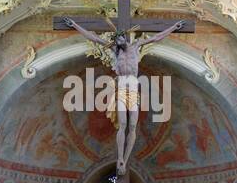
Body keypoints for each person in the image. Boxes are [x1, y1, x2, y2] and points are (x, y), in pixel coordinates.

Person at [62, 15, 186, 172]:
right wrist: (75, 25)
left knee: (133, 125)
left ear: (124, 37)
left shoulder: (136, 45)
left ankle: (125, 160)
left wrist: (173, 27)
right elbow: (93, 38)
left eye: (120, 40)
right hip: (121, 89)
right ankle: (120, 157)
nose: (118, 43)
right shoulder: (115, 50)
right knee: (123, 124)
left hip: (133, 89)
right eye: (116, 42)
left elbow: (156, 37)